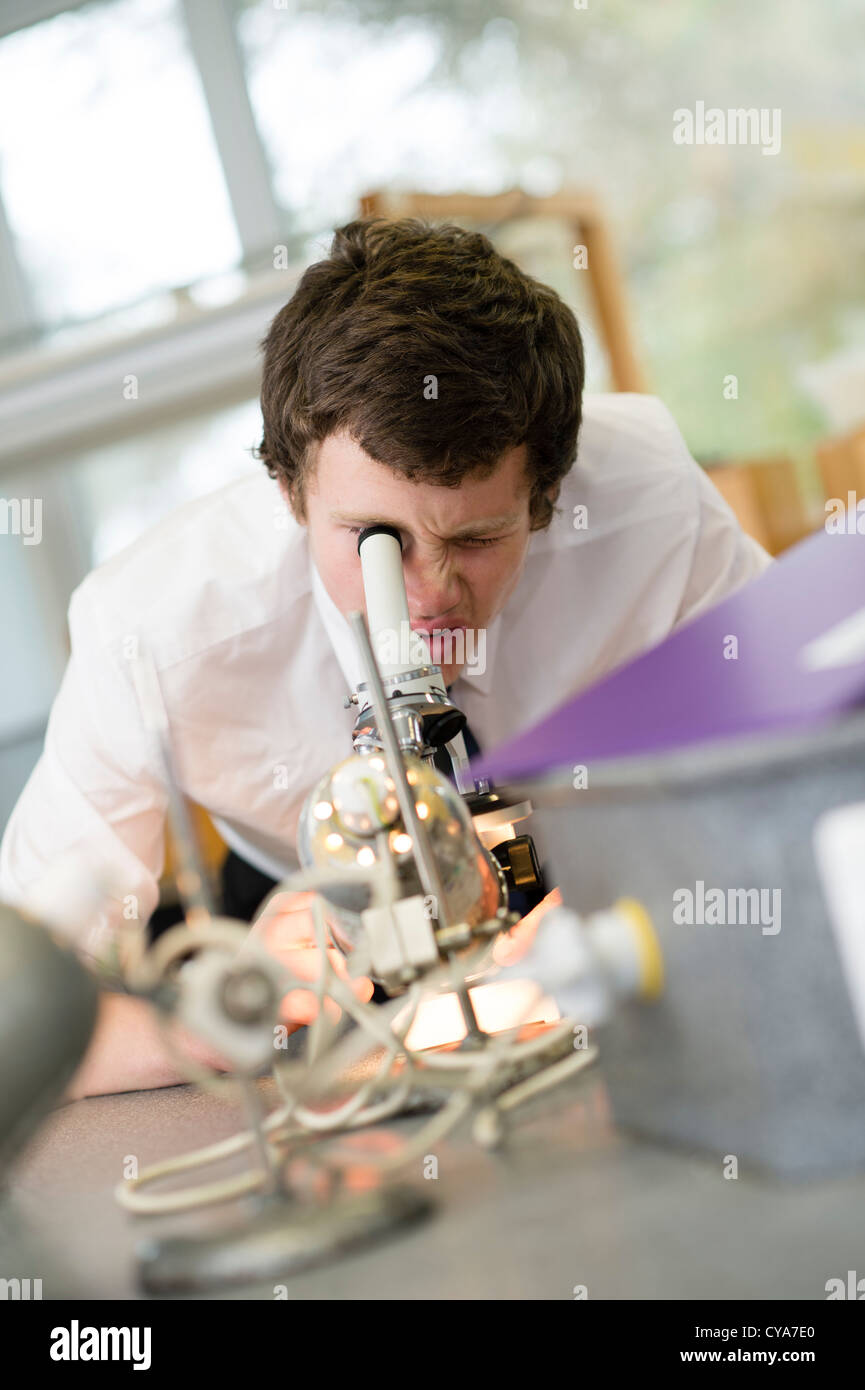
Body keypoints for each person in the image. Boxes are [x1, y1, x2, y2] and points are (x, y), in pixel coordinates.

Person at [0, 217, 771, 1096]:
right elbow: (24, 1008)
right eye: (377, 540)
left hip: (601, 871)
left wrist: (660, 893)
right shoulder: (156, 628)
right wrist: (224, 1005)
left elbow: (797, 768)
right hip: (310, 927)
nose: (429, 593)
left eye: (478, 537)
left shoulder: (647, 502)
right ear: (290, 490)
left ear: (548, 494)